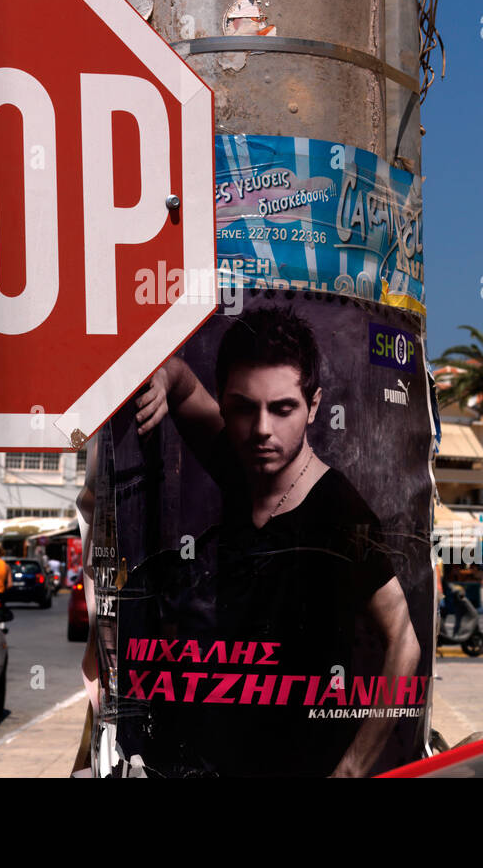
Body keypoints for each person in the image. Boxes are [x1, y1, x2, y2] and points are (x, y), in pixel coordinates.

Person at [136, 305, 420, 778]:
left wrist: (350, 771)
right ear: (226, 403)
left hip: (307, 764)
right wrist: (163, 379)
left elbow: (404, 642)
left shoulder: (340, 512)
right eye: (244, 407)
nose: (262, 429)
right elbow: (182, 378)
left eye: (283, 408)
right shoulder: (238, 460)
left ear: (312, 406)